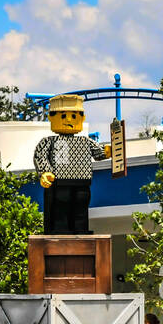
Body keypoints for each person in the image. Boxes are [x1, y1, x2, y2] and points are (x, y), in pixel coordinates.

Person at [35, 93, 111, 235]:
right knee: (61, 205)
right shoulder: (49, 141)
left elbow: (99, 153)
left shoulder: (85, 141)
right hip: (60, 182)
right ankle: (60, 229)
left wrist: (109, 151)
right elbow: (41, 156)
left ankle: (80, 229)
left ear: (82, 118)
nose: (69, 119)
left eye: (74, 116)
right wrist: (45, 172)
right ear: (52, 117)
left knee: (81, 205)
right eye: (63, 116)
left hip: (82, 182)